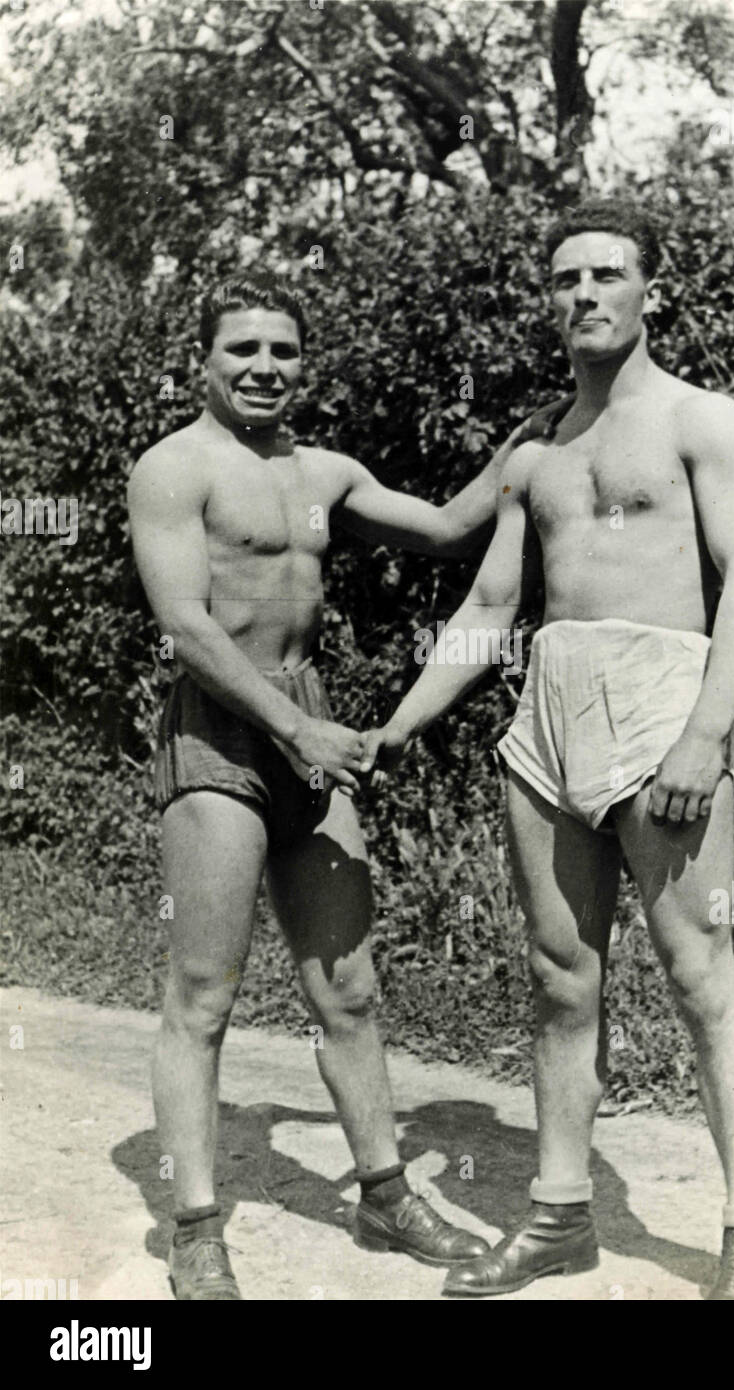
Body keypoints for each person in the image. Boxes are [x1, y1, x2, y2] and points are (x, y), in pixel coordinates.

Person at [364, 197, 734, 1301]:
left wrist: (705, 733)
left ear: (652, 289)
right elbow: (491, 603)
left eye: (607, 274)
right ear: (548, 300)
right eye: (567, 280)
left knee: (701, 976)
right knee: (560, 979)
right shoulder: (535, 450)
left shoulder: (707, 422)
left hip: (666, 703)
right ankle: (558, 1216)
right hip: (550, 712)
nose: (586, 295)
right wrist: (400, 722)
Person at [127, 270, 560, 1299]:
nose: (265, 367)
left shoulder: (326, 470)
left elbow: (452, 526)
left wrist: (534, 437)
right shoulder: (173, 467)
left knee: (349, 989)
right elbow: (186, 626)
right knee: (203, 991)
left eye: (283, 350)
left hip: (306, 727)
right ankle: (194, 1225)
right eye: (243, 348)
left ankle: (383, 1193)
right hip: (221, 737)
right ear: (205, 359)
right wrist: (297, 729)